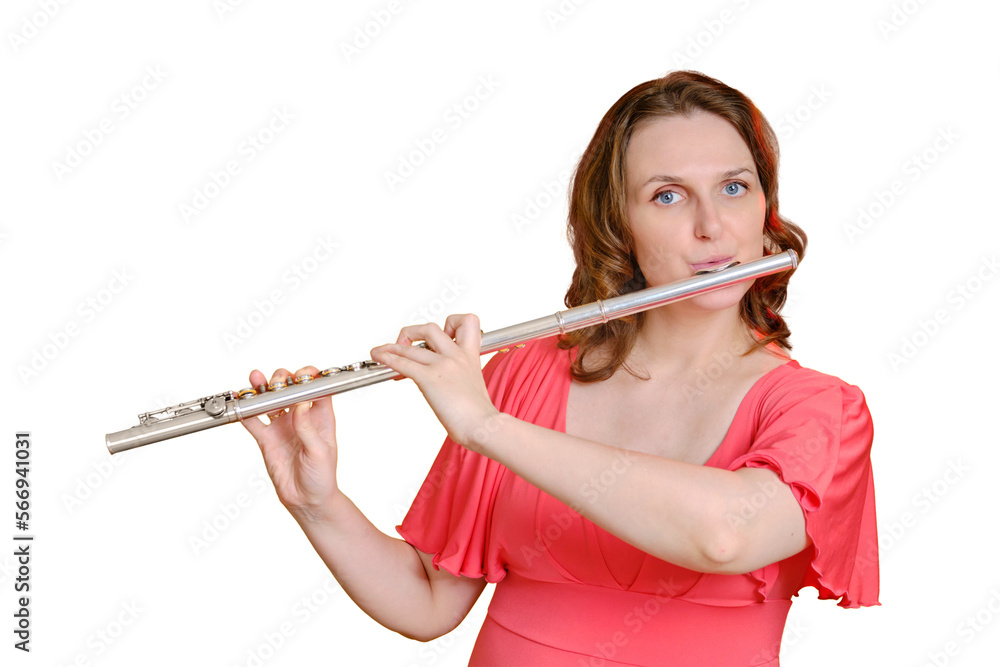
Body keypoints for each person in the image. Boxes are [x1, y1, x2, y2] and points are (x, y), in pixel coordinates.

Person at [241, 70, 879, 666]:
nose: (711, 225)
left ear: (765, 210)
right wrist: (316, 503)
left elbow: (724, 536)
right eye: (667, 196)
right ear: (618, 225)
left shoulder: (822, 411)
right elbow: (428, 602)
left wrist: (488, 427)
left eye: (734, 188)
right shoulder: (523, 379)